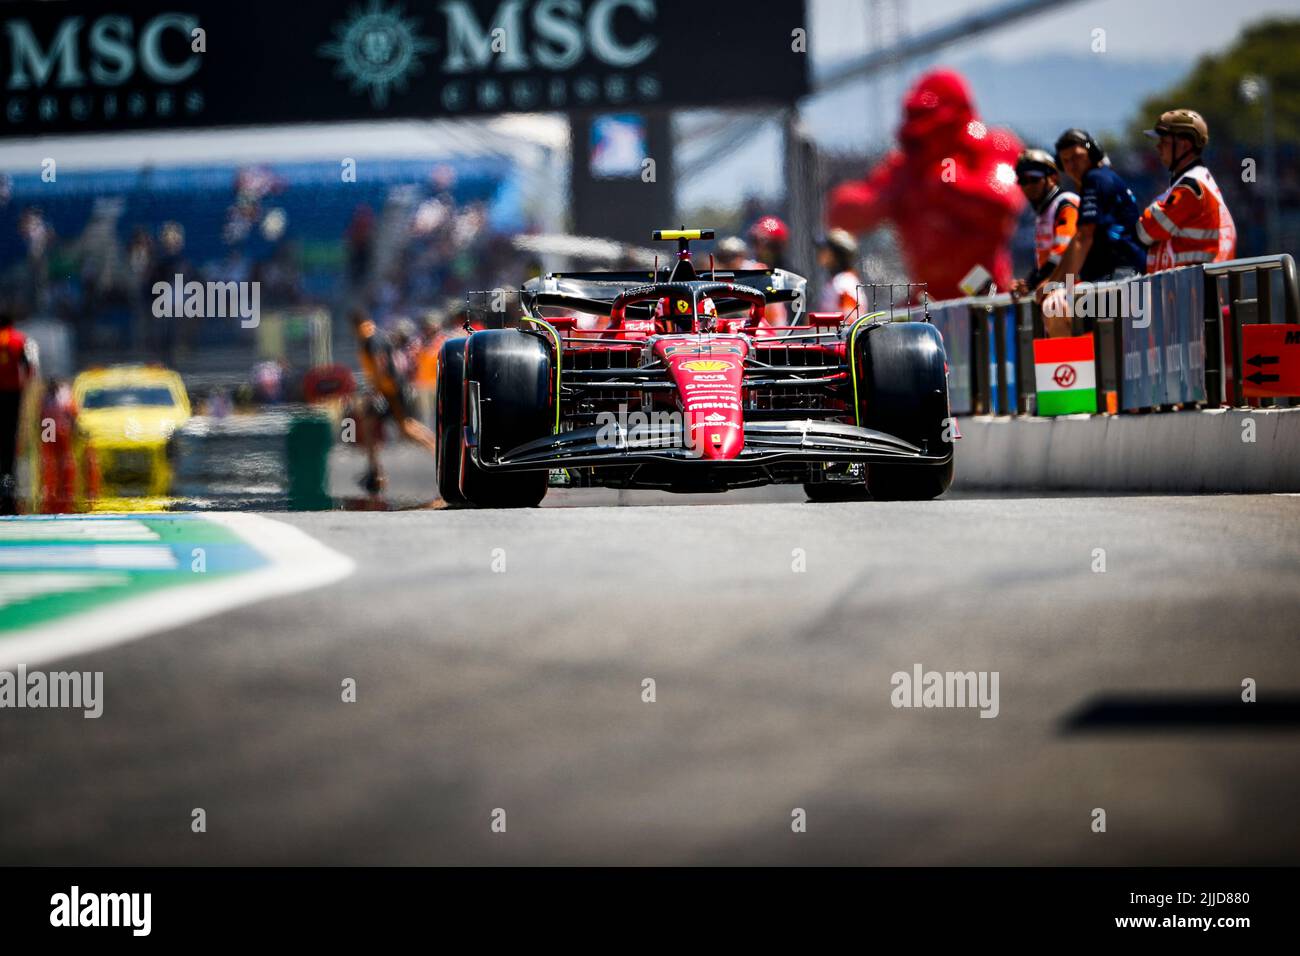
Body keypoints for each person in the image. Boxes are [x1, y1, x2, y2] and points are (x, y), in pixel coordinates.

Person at [826, 69, 1023, 301]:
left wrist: (944, 185)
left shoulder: (994, 146)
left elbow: (1003, 203)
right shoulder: (907, 167)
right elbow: (840, 211)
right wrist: (888, 198)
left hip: (986, 290)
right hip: (928, 297)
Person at [1037, 129, 1146, 335]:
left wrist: (1056, 285)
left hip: (1116, 279)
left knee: (1100, 349)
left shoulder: (1095, 179)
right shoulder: (1104, 178)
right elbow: (1079, 238)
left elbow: (1084, 237)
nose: (1072, 165)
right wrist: (1054, 281)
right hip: (1118, 278)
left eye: (1077, 157)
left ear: (1093, 153)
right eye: (1066, 161)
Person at [1136, 109, 1236, 272]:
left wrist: (1150, 211)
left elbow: (1146, 231)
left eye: (1164, 141)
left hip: (1192, 290)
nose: (1158, 147)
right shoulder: (1198, 180)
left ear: (1184, 145)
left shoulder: (1190, 187)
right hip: (1191, 287)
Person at [351, 307, 438, 495]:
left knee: (406, 428)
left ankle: (440, 453)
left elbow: (380, 365)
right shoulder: (377, 336)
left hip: (389, 391)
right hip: (391, 389)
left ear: (357, 325)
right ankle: (375, 471)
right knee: (377, 424)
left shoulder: (370, 339)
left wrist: (375, 392)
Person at [1010, 149, 1079, 298]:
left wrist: (1032, 282)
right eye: (1022, 181)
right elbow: (1047, 260)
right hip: (1061, 294)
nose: (1028, 186)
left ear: (1053, 178)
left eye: (1034, 179)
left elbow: (1062, 251)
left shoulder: (1066, 203)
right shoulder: (1043, 213)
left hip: (1080, 294)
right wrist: (1027, 282)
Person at [0, 311, 34, 511]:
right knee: (10, 434)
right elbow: (28, 366)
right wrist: (26, 383)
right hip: (12, 393)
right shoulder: (18, 340)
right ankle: (8, 476)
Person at [815, 229, 862, 314]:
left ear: (835, 255)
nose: (820, 253)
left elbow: (850, 318)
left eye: (824, 249)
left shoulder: (845, 282)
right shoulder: (839, 280)